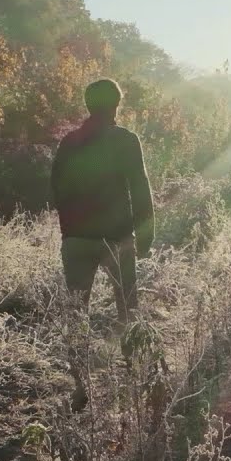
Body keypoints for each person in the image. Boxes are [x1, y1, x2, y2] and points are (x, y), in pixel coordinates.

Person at [50, 78, 154, 324]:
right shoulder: (126, 140)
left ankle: (76, 362)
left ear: (88, 105)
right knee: (128, 310)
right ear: (117, 104)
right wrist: (145, 238)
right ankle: (132, 361)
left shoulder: (69, 142)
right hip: (117, 239)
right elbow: (140, 188)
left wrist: (70, 229)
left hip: (76, 238)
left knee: (75, 315)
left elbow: (56, 186)